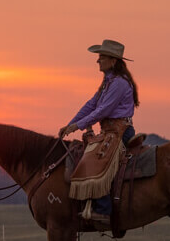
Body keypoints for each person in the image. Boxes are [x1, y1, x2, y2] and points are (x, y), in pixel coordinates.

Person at [59, 39, 139, 222]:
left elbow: (103, 111)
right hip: (109, 131)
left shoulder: (119, 83)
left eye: (102, 57)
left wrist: (76, 126)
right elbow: (91, 104)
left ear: (113, 61)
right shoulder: (108, 82)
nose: (98, 60)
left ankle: (103, 209)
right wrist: (71, 124)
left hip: (119, 132)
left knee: (97, 160)